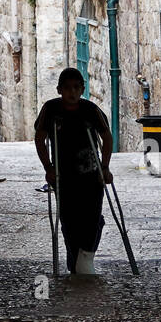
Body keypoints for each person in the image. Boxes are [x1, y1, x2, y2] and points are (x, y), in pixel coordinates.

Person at [34, 67, 114, 275]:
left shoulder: (90, 110)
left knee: (91, 219)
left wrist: (104, 167)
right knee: (69, 221)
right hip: (64, 175)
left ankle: (84, 260)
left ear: (83, 89)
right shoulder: (50, 109)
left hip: (90, 173)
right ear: (59, 89)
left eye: (77, 88)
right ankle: (75, 262)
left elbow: (107, 137)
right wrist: (48, 168)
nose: (72, 92)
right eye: (67, 88)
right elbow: (40, 138)